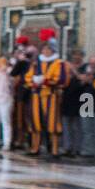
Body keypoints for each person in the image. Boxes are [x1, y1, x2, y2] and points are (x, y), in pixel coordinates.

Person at [25, 28, 65, 156]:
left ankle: (54, 150)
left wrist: (45, 80)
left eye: (48, 49)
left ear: (53, 51)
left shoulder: (58, 63)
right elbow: (28, 77)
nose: (46, 51)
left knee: (53, 124)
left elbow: (61, 78)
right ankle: (35, 148)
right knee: (35, 122)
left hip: (51, 95)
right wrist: (34, 81)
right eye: (44, 49)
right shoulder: (37, 63)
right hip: (36, 96)